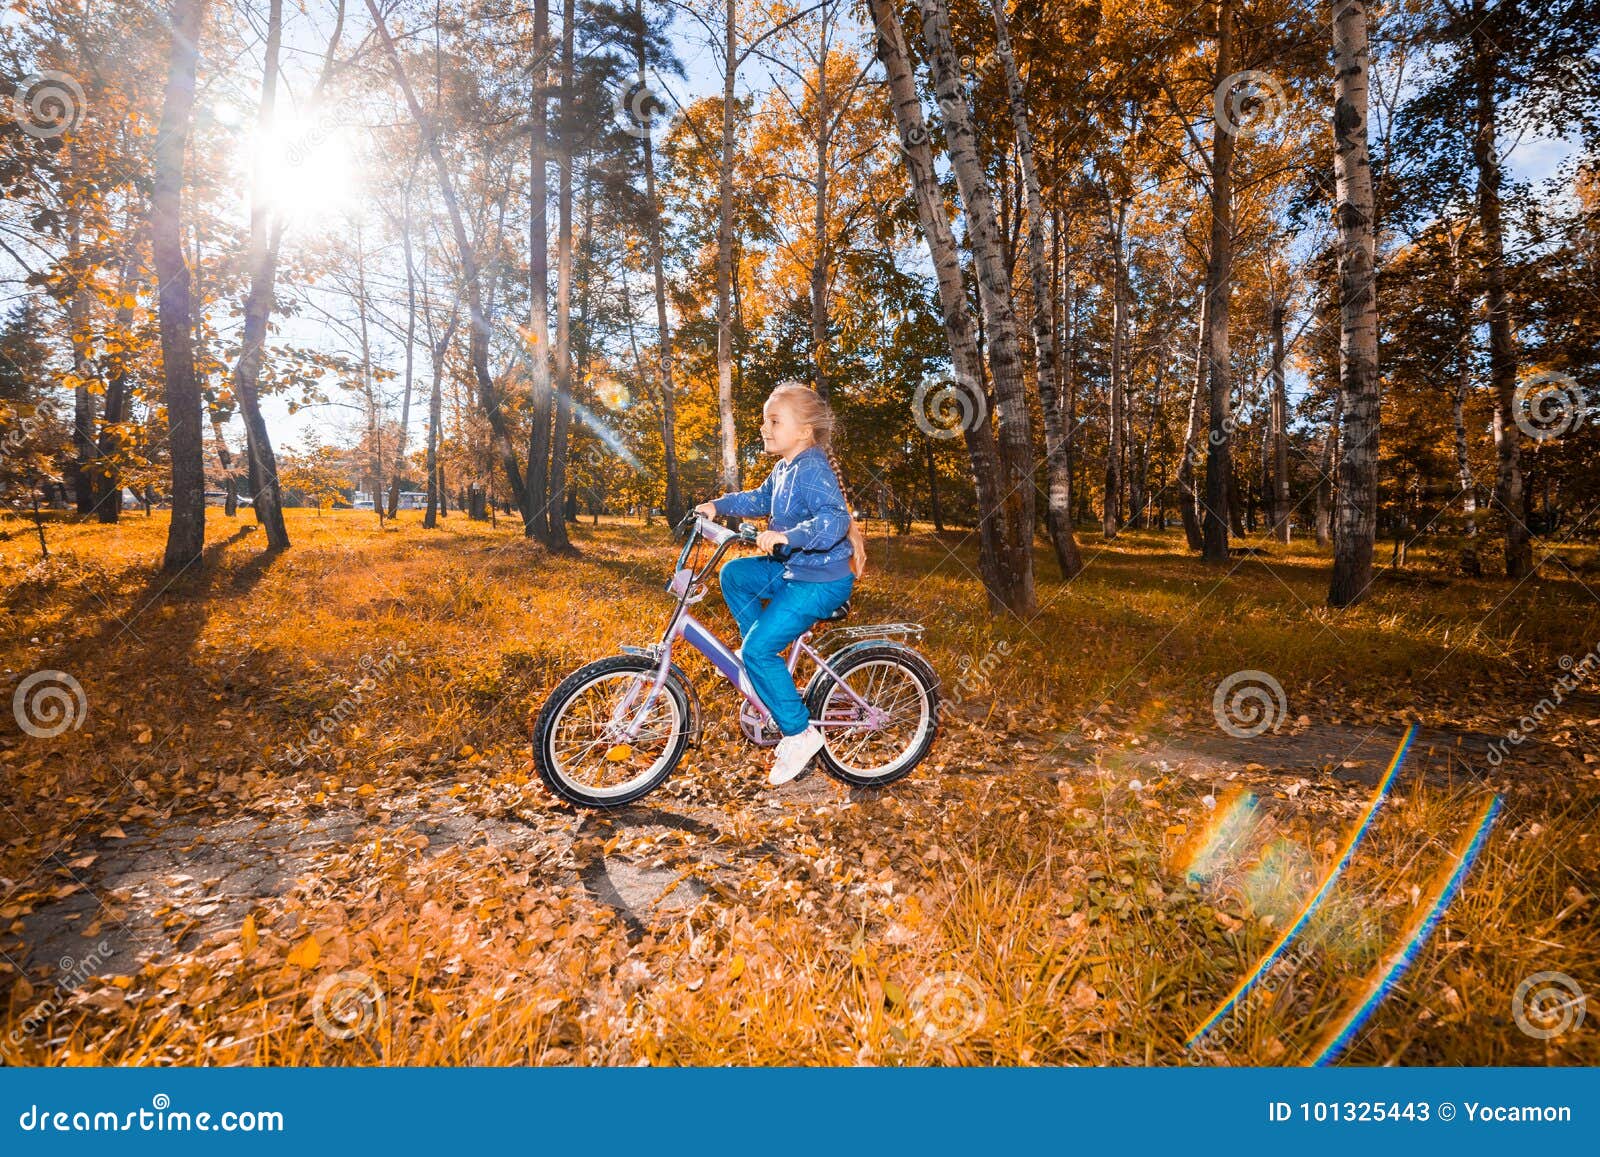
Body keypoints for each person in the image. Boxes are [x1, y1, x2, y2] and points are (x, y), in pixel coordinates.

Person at [694, 382, 867, 786]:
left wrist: (789, 536)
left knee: (759, 650)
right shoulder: (785, 468)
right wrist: (718, 505)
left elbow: (834, 519)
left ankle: (799, 733)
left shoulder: (813, 468)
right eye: (764, 421)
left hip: (820, 580)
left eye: (774, 421)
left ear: (804, 431)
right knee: (735, 575)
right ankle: (756, 653)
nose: (764, 428)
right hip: (794, 570)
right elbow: (759, 500)